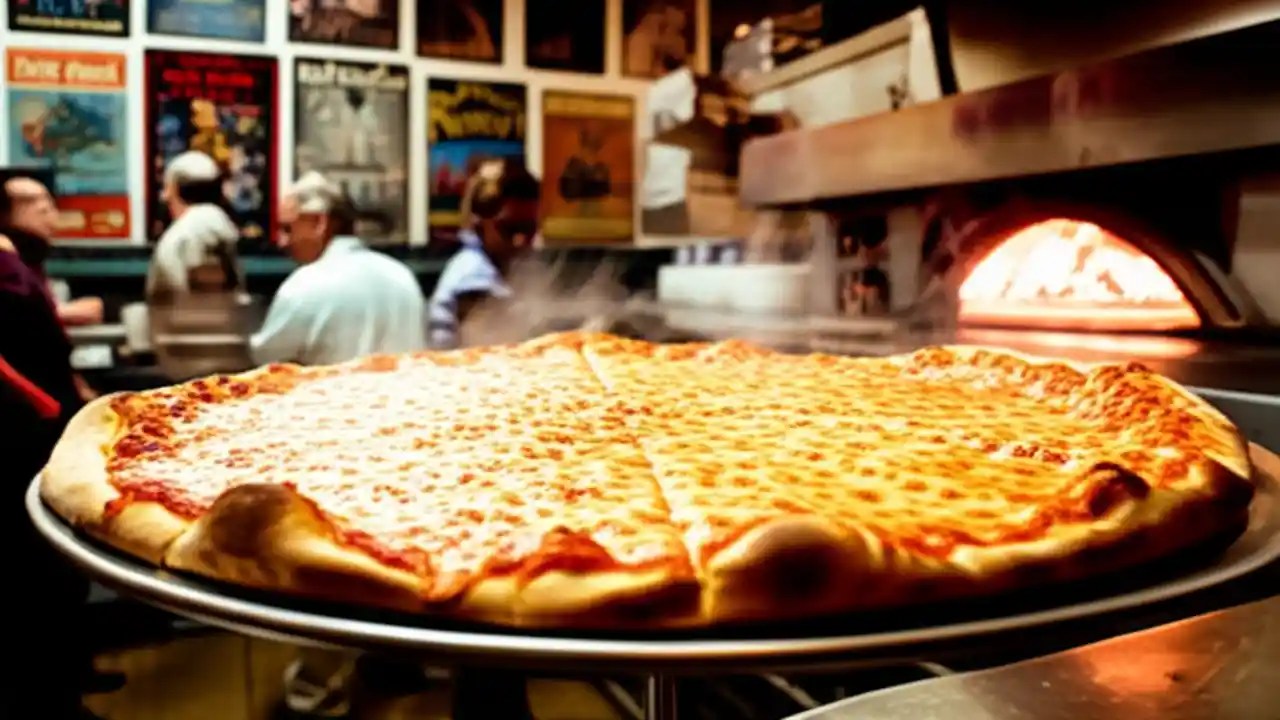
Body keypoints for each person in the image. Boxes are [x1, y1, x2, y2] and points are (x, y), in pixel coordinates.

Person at [0, 171, 112, 719]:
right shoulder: (6, 264)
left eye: (51, 202)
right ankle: (50, 699)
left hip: (47, 431)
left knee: (58, 569)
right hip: (18, 441)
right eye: (33, 203)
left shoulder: (24, 265)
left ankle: (70, 675)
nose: (49, 212)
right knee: (34, 575)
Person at [250, 172, 425, 366]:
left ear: (319, 223)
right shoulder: (402, 276)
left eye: (288, 229)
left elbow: (268, 360)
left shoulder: (305, 285)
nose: (282, 242)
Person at [427, 157, 541, 350]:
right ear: (479, 224)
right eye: (509, 228)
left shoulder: (493, 266)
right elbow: (495, 354)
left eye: (528, 229)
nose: (520, 240)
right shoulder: (473, 278)